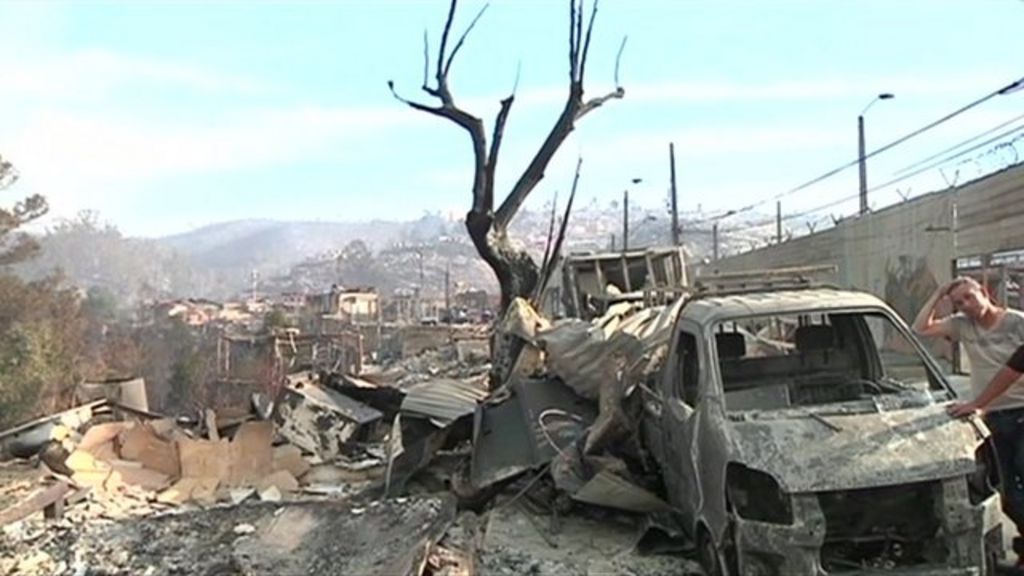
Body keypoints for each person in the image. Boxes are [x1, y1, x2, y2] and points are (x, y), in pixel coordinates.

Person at [914, 277, 1024, 546]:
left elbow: (1013, 369)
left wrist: (977, 403)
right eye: (958, 302)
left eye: (969, 297)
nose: (966, 305)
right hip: (994, 416)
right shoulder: (962, 325)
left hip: (1021, 409)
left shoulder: (1017, 322)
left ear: (984, 293)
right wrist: (939, 294)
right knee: (1005, 491)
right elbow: (919, 328)